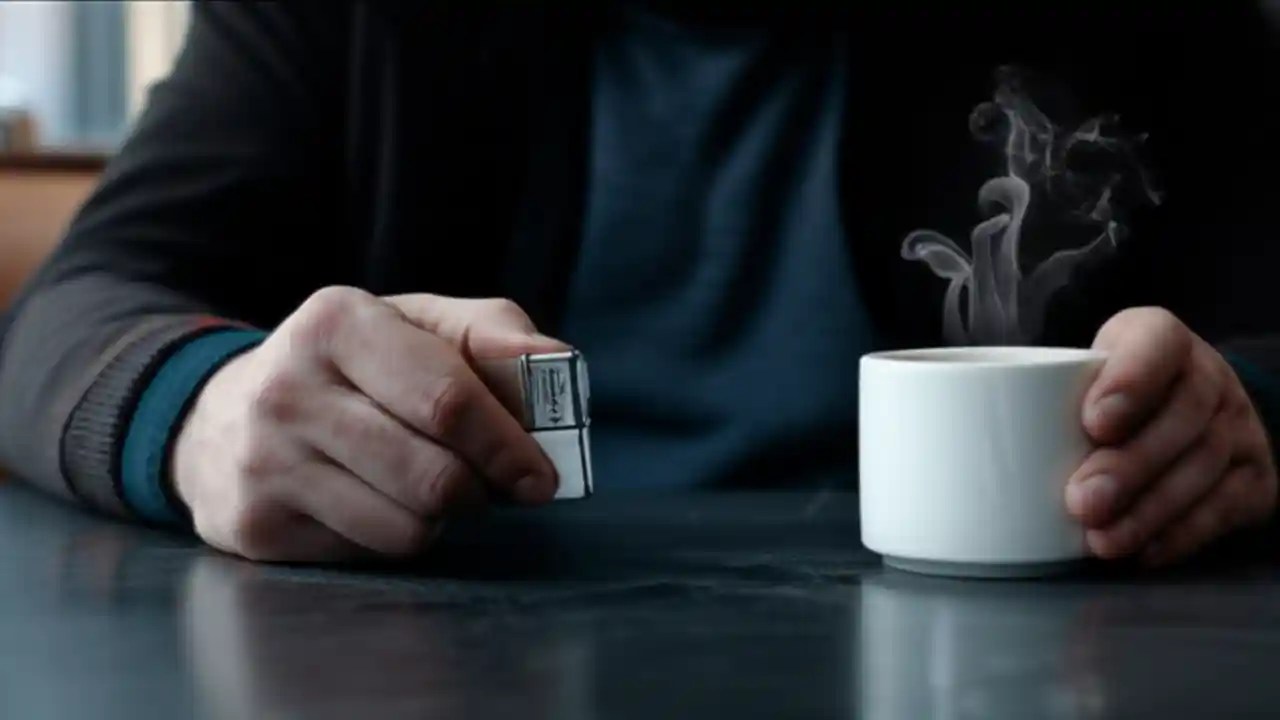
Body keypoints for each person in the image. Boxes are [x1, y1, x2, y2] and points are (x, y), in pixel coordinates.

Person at [0, 3, 1276, 565]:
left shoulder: (1127, 19)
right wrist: (203, 412)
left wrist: (1243, 419)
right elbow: (75, 311)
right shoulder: (349, 18)